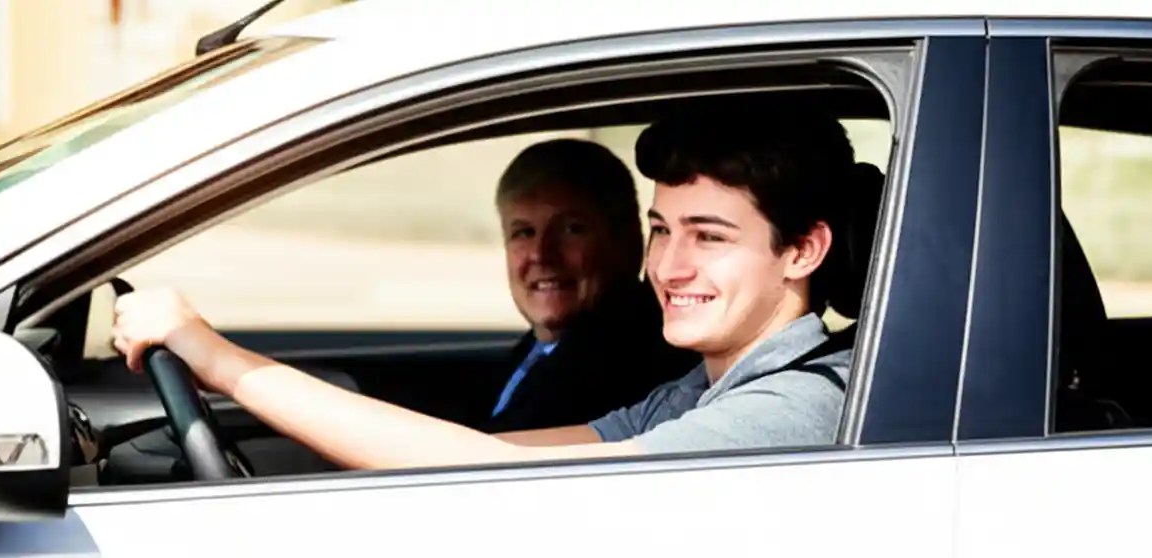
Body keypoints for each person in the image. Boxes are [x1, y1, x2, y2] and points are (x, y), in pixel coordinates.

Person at [111, 104, 858, 470]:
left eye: (711, 237)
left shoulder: (790, 406)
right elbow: (473, 451)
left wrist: (218, 360)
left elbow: (505, 475)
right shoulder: (695, 391)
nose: (668, 268)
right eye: (664, 230)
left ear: (803, 250)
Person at [479, 138, 697, 432]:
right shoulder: (543, 350)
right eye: (524, 232)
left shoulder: (626, 366)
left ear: (629, 240)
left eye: (572, 229)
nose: (541, 255)